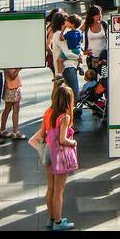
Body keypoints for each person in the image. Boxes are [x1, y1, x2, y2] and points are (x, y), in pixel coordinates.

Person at [42, 83, 78, 230]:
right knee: (59, 190)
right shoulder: (65, 117)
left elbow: (44, 132)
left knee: (50, 188)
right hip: (59, 155)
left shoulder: (48, 111)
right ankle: (58, 222)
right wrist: (73, 142)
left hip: (48, 152)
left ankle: (51, 219)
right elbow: (62, 139)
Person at [0, 67, 24, 139]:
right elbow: (12, 76)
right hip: (11, 88)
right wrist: (19, 68)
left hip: (12, 87)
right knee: (12, 109)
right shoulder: (9, 62)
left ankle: (6, 129)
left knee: (10, 109)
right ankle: (13, 131)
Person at [82, 6, 108, 72]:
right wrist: (82, 51)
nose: (99, 16)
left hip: (104, 57)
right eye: (97, 15)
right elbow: (75, 37)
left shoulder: (104, 24)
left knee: (104, 78)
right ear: (91, 16)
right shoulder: (87, 25)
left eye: (100, 14)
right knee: (93, 79)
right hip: (91, 58)